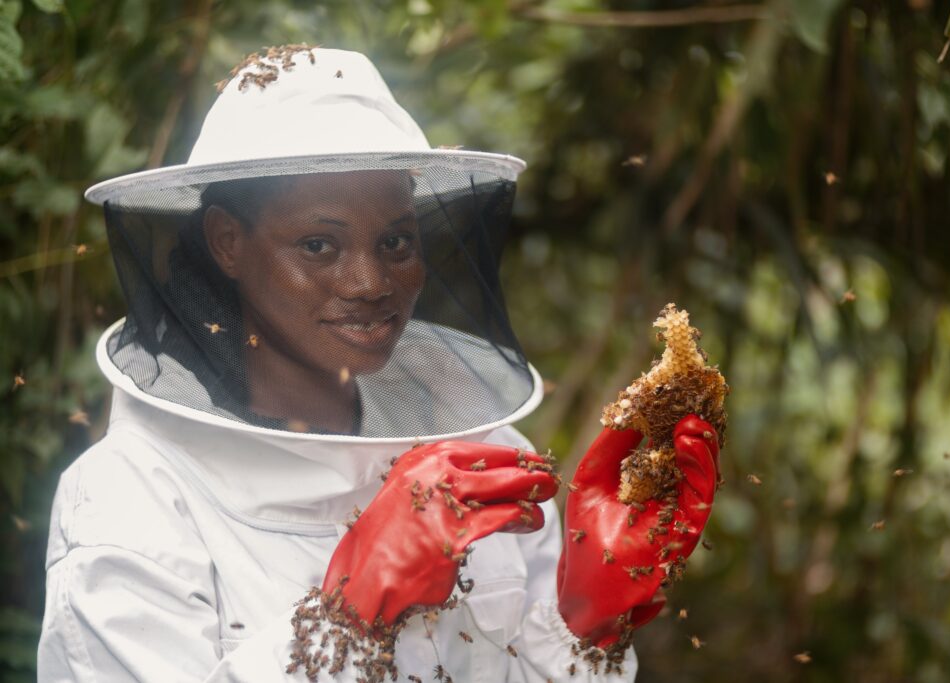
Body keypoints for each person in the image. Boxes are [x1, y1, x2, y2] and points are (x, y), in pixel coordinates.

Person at [37, 46, 720, 682]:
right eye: (317, 244)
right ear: (227, 242)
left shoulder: (482, 451)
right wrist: (348, 617)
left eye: (396, 240)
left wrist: (583, 627)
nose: (369, 281)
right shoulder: (132, 498)